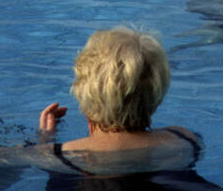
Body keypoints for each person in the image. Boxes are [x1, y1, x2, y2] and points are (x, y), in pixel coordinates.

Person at [37, 28, 201, 166]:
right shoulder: (185, 140)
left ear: (85, 95)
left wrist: (44, 140)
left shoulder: (57, 156)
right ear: (158, 92)